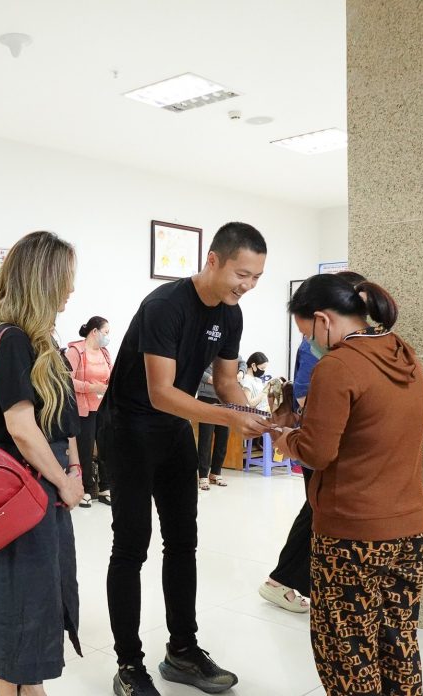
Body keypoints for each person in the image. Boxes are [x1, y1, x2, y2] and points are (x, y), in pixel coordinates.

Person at [102, 222, 272, 696]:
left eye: (257, 277)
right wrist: (227, 416)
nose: (248, 285)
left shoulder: (231, 314)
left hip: (175, 431)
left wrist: (250, 415)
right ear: (213, 260)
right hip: (131, 430)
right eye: (243, 273)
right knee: (130, 548)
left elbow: (225, 383)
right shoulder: (165, 306)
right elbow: (161, 393)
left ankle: (182, 651)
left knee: (183, 543)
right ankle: (129, 665)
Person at [275, 274, 423, 696]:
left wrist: (282, 435)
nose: (309, 344)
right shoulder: (405, 355)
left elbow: (317, 452)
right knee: (398, 642)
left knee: (347, 652)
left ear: (323, 319)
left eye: (307, 333)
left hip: (351, 538)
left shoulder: (338, 366)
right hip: (410, 531)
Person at [0, 231, 85, 696]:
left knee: (39, 600)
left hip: (45, 492)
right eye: (65, 279)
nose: (70, 291)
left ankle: (30, 687)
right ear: (43, 280)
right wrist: (64, 480)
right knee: (16, 604)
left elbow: (62, 422)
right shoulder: (12, 338)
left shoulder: (45, 343)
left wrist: (74, 475)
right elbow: (20, 425)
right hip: (22, 495)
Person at [260, 271, 366, 614]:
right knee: (316, 510)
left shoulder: (364, 350)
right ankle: (281, 580)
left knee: (315, 510)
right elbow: (306, 401)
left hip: (329, 449)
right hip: (318, 444)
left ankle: (285, 580)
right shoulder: (317, 349)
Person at [66, 316, 112, 507]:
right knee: (84, 449)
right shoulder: (75, 351)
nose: (108, 337)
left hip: (103, 407)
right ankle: (85, 488)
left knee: (106, 447)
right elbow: (66, 380)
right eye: (106, 332)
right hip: (84, 409)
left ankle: (105, 486)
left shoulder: (105, 352)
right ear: (95, 332)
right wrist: (91, 388)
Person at [193, 358, 246, 490]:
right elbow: (196, 368)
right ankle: (203, 475)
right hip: (207, 397)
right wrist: (211, 379)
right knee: (206, 438)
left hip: (225, 398)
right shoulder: (204, 348)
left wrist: (241, 373)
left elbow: (242, 362)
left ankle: (216, 472)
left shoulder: (227, 349)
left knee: (223, 437)